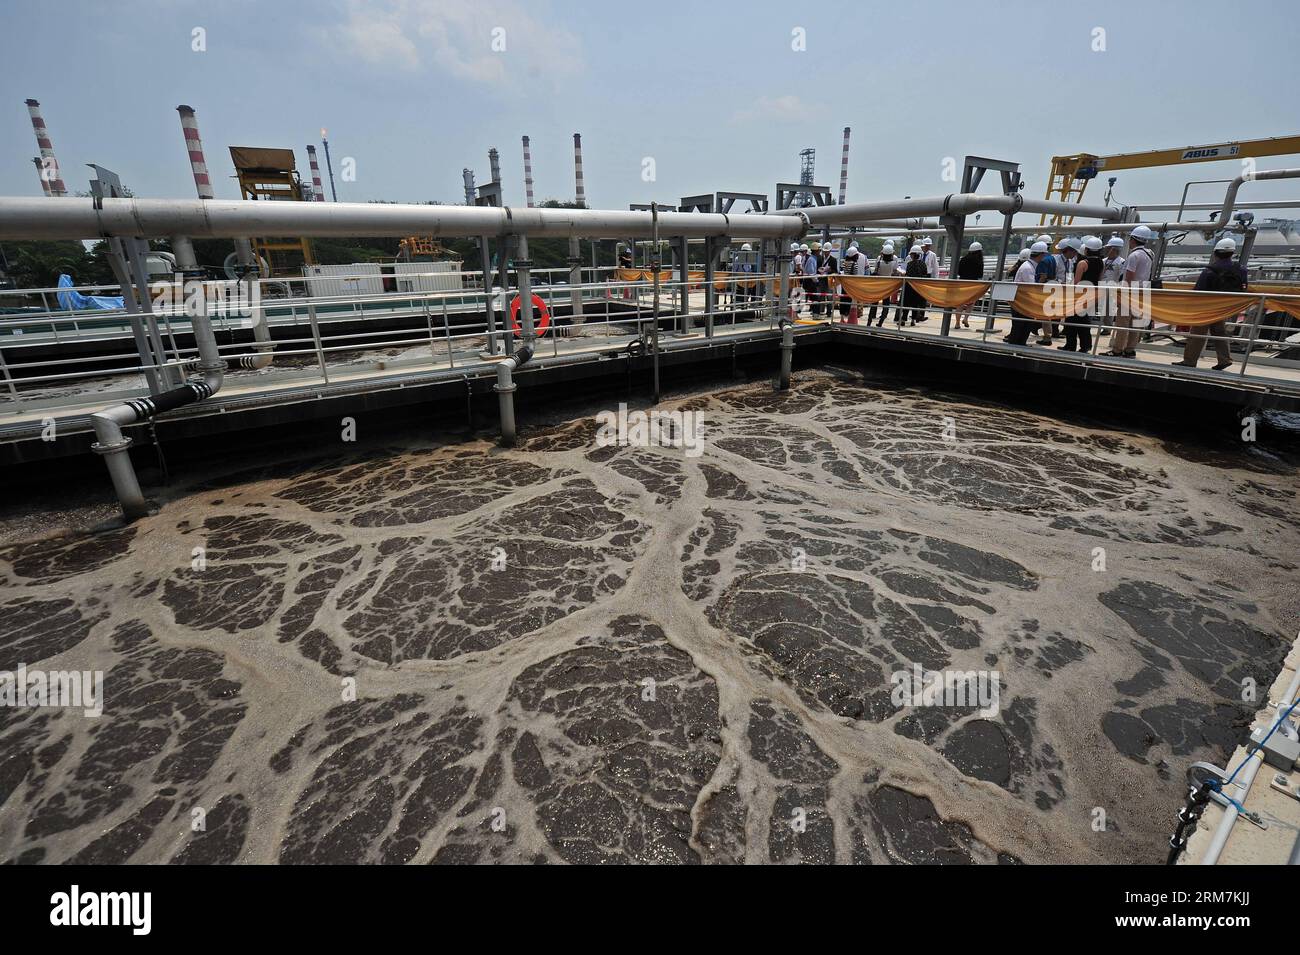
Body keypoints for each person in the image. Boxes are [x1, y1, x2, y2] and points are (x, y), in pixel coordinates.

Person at [1172, 237, 1245, 370]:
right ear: (1232, 253)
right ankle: (1224, 359)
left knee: (1197, 334)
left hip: (1205, 308)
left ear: (1215, 253)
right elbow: (1244, 287)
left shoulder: (1209, 271)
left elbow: (1197, 292)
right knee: (1220, 332)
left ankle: (1189, 361)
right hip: (1225, 307)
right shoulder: (1240, 269)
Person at [1103, 224, 1155, 357]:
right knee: (1136, 324)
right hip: (1143, 293)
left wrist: (1121, 296)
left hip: (1130, 294)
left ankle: (1117, 350)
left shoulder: (1134, 256)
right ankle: (1130, 349)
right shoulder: (1149, 254)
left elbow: (1129, 277)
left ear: (1133, 239)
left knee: (1122, 324)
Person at [1061, 235, 1103, 353]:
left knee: (1071, 321)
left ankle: (1070, 345)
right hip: (1091, 295)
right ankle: (1086, 346)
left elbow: (1076, 282)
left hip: (1079, 296)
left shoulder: (1083, 263)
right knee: (1084, 322)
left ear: (1086, 249)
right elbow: (1099, 279)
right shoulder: (1100, 262)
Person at [1004, 242, 1048, 345]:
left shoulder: (1028, 266)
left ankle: (1017, 347)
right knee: (1021, 327)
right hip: (1022, 303)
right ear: (1041, 255)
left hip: (1021, 302)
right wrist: (1041, 281)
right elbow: (1031, 287)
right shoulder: (1028, 268)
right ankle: (1016, 348)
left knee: (1022, 327)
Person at [867, 241, 899, 325]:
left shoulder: (879, 260)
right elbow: (895, 272)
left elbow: (875, 271)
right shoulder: (894, 261)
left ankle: (869, 321)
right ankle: (881, 322)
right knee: (886, 303)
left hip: (878, 284)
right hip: (888, 284)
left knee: (874, 303)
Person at [954, 240, 984, 329]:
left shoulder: (963, 259)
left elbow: (959, 272)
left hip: (962, 283)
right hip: (973, 284)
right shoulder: (979, 261)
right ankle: (966, 318)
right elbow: (980, 275)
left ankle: (957, 323)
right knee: (971, 303)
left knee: (960, 304)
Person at [839, 240, 868, 322]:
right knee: (854, 299)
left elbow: (844, 271)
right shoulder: (861, 259)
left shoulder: (844, 262)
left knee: (843, 300)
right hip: (855, 282)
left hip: (845, 283)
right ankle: (855, 315)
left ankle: (842, 317)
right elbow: (865, 269)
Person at [900, 245, 928, 326]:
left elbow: (908, 274)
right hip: (918, 287)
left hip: (909, 286)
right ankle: (913, 320)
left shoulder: (910, 264)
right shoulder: (923, 264)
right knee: (915, 304)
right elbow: (925, 274)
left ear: (912, 255)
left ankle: (903, 320)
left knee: (906, 303)